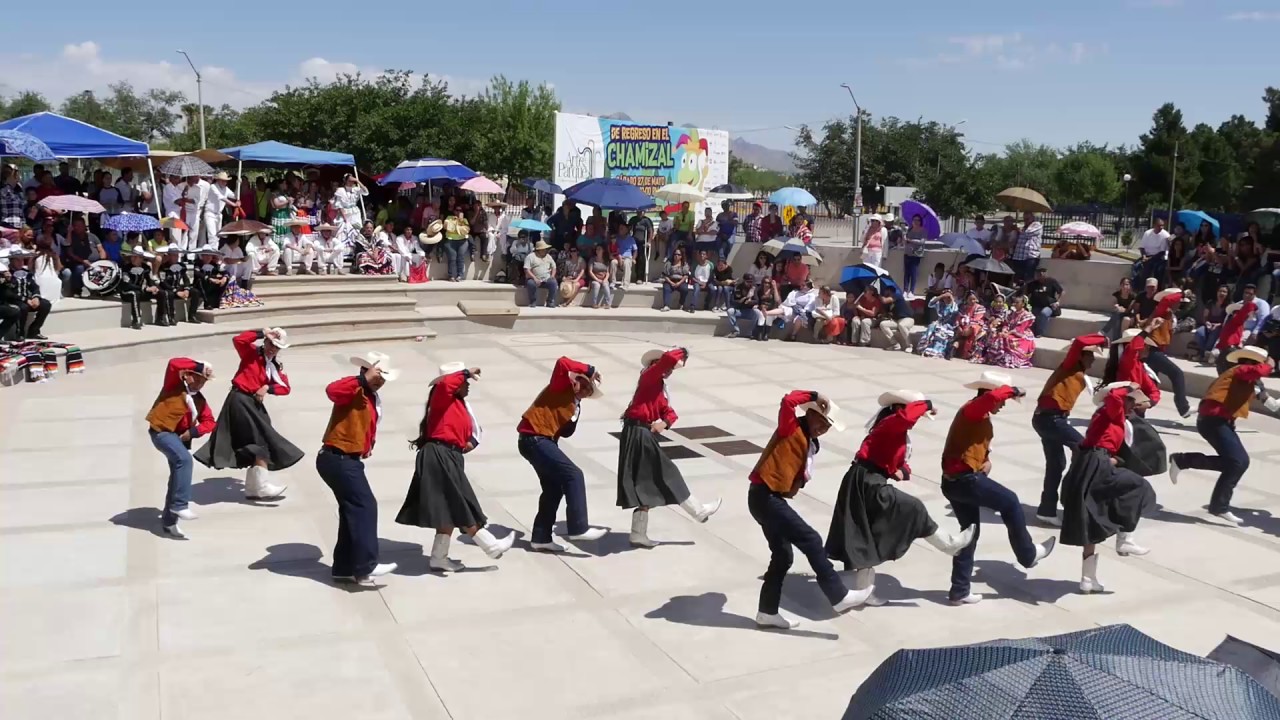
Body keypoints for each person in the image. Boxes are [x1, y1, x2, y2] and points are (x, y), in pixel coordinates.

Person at [825, 390, 975, 605]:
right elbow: (905, 418)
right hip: (865, 482)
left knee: (868, 535)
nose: (915, 421)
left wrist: (901, 470)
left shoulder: (897, 431)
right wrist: (927, 404)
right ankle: (949, 544)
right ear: (898, 409)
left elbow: (897, 464)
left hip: (869, 481)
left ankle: (864, 591)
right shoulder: (890, 424)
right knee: (913, 507)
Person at [748, 391, 873, 629]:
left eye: (827, 427)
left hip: (768, 498)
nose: (822, 429)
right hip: (764, 496)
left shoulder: (810, 443)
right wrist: (815, 395)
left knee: (783, 557)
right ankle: (838, 595)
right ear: (811, 414)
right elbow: (787, 400)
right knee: (811, 539)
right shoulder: (790, 427)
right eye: (822, 422)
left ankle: (767, 612)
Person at [940, 372, 1056, 604]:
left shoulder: (979, 416)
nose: (1003, 405)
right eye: (1003, 401)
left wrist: (986, 459)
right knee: (1010, 502)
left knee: (969, 534)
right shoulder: (972, 409)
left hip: (955, 481)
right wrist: (1013, 390)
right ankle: (1028, 554)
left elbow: (974, 443)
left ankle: (959, 591)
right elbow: (990, 399)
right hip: (964, 481)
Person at [395, 363, 516, 570]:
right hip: (439, 454)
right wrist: (465, 373)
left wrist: (465, 444)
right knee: (460, 501)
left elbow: (470, 430)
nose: (467, 385)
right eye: (464, 382)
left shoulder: (457, 403)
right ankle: (490, 545)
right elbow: (445, 386)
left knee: (448, 506)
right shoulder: (442, 396)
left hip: (449, 455)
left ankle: (438, 557)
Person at [618, 348, 722, 546]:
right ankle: (697, 510)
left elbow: (670, 413)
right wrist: (682, 352)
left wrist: (664, 422)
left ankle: (637, 533)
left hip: (642, 433)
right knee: (667, 472)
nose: (669, 371)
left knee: (645, 483)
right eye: (668, 367)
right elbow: (667, 360)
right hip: (637, 433)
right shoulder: (648, 377)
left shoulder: (659, 388)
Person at [1063, 382, 1160, 593]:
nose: (1132, 405)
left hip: (1092, 462)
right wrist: (1128, 387)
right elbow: (1115, 398)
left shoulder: (1110, 416)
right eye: (1130, 400)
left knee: (1091, 521)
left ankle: (1087, 579)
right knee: (1138, 486)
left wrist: (1112, 459)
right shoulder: (1110, 411)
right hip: (1094, 462)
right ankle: (1125, 538)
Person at [1169, 346, 1280, 526]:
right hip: (1213, 422)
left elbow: (1271, 404)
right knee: (1238, 462)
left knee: (1237, 463)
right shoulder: (1239, 370)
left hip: (1220, 423)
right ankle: (1218, 506)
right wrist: (1270, 363)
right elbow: (1259, 371)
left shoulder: (1251, 381)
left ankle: (1183, 461)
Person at [317, 352, 400, 584]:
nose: (380, 382)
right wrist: (363, 379)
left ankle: (344, 567)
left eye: (383, 378)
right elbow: (331, 391)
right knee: (365, 506)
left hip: (347, 459)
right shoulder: (354, 388)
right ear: (366, 371)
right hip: (337, 458)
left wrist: (366, 445)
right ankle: (366, 564)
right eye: (378, 376)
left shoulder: (371, 396)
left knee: (351, 511)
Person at [194, 328, 303, 500]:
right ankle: (261, 485)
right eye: (270, 344)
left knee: (258, 439)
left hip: (253, 404)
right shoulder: (251, 352)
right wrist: (261, 333)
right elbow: (239, 340)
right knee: (260, 439)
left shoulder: (275, 366)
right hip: (240, 400)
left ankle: (253, 488)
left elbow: (285, 388)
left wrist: (268, 387)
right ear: (265, 342)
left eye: (277, 347)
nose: (272, 349)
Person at [518, 356, 608, 552]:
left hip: (541, 441)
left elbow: (566, 432)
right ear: (576, 379)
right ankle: (578, 527)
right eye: (583, 384)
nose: (584, 391)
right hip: (534, 438)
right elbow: (561, 362)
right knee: (574, 475)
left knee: (554, 488)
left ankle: (541, 538)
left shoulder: (576, 404)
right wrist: (590, 369)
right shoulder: (560, 386)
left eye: (588, 390)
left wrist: (574, 414)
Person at [1032, 333, 1109, 525]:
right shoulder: (1069, 365)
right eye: (1090, 355)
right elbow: (1080, 342)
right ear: (1081, 355)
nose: (1093, 359)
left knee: (1056, 465)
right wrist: (1104, 340)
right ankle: (1077, 502)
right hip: (1051, 419)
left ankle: (1047, 510)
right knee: (1085, 450)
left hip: (1048, 419)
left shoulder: (1079, 372)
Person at [146, 358, 216, 539]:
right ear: (189, 375)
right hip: (161, 433)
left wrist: (193, 432)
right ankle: (180, 504)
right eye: (198, 378)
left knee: (177, 477)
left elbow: (210, 422)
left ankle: (169, 522)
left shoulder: (199, 400)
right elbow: (173, 363)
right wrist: (198, 366)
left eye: (204, 381)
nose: (201, 383)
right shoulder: (173, 386)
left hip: (179, 439)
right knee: (184, 460)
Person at [1144, 288, 1193, 417]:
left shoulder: (1170, 315)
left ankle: (1135, 413)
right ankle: (1183, 408)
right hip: (1152, 350)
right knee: (1177, 374)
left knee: (1149, 387)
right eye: (1178, 301)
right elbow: (1166, 300)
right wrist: (1182, 293)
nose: (1179, 303)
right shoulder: (1161, 310)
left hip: (1155, 352)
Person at [0, 249, 51, 340]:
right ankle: (20, 333)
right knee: (23, 307)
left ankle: (34, 330)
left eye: (22, 260)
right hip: (15, 299)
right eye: (18, 260)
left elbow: (34, 287)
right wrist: (24, 299)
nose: (21, 262)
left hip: (27, 299)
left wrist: (36, 297)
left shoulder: (27, 273)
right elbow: (7, 293)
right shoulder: (5, 274)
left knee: (46, 304)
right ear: (12, 261)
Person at [982, 294, 1037, 369]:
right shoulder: (1011, 313)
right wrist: (1004, 331)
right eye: (1014, 302)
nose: (1015, 304)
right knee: (999, 336)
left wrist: (1008, 333)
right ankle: (997, 357)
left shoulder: (1027, 315)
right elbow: (1006, 324)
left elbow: (1019, 328)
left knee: (1009, 339)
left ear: (1023, 304)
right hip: (1011, 332)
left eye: (1017, 302)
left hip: (1021, 335)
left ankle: (1010, 358)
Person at [118, 246, 160, 329]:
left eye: (136, 257)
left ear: (141, 258)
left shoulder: (146, 268)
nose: (133, 258)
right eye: (132, 256)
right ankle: (136, 320)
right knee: (134, 293)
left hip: (141, 291)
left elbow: (150, 280)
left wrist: (154, 287)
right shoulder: (126, 268)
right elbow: (127, 284)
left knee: (161, 292)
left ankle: (162, 317)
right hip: (127, 292)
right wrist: (143, 289)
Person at [155, 243, 194, 325]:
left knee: (195, 292)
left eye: (176, 255)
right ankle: (171, 317)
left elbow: (186, 279)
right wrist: (176, 291)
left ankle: (192, 315)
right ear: (169, 256)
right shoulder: (164, 267)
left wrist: (186, 289)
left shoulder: (182, 266)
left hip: (178, 287)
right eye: (173, 255)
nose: (175, 257)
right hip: (169, 289)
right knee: (169, 294)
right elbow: (163, 282)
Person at [916, 289, 959, 358]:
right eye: (945, 298)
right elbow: (930, 304)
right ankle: (926, 347)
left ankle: (938, 350)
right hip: (939, 323)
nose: (946, 299)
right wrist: (942, 296)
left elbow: (955, 311)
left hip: (949, 325)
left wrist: (951, 298)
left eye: (948, 297)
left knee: (941, 332)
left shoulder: (954, 305)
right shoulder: (939, 304)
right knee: (931, 327)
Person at [1194, 285, 1231, 362]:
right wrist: (1207, 322)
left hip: (1221, 327)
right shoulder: (1210, 303)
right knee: (1199, 332)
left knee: (1215, 331)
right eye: (1220, 291)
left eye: (1224, 292)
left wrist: (1218, 325)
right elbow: (1205, 317)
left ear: (1227, 294)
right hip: (1209, 325)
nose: (1222, 293)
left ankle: (1204, 354)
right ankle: (1203, 353)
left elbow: (1229, 321)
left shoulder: (1229, 306)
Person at [1024, 266, 1063, 337]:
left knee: (1044, 314)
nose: (1041, 274)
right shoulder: (1032, 284)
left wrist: (1058, 302)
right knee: (1031, 314)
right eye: (1039, 272)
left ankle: (1039, 332)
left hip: (1049, 305)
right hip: (1036, 305)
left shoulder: (1051, 281)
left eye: (1043, 272)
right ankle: (1030, 331)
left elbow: (1060, 291)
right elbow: (1025, 294)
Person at [878, 284, 915, 352]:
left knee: (902, 325)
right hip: (896, 320)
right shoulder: (888, 304)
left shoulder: (897, 296)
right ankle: (895, 344)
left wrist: (878, 294)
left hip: (907, 319)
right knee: (883, 324)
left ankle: (909, 345)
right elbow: (886, 312)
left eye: (885, 291)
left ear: (889, 291)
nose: (884, 292)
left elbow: (884, 300)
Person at [1134, 218, 1170, 286]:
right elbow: (1142, 247)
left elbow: (1162, 252)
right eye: (1159, 225)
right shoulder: (1147, 233)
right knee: (1136, 266)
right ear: (1154, 225)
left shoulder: (1165, 235)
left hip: (1158, 258)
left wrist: (1149, 259)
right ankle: (1136, 286)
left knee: (1154, 269)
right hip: (1146, 256)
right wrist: (1144, 257)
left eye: (1162, 225)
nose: (1161, 227)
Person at [524, 240, 558, 307]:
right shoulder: (530, 256)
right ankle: (532, 301)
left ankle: (550, 301)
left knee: (553, 282)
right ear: (539, 250)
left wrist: (552, 276)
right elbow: (526, 269)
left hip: (546, 279)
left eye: (545, 249)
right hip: (534, 278)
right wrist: (535, 278)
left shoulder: (548, 256)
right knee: (530, 283)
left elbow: (554, 267)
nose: (545, 250)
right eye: (544, 249)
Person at [727, 274, 761, 338]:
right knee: (730, 311)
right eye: (748, 281)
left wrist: (750, 302)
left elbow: (757, 300)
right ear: (744, 281)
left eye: (751, 281)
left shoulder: (754, 288)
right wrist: (740, 301)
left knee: (757, 312)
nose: (750, 283)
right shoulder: (738, 287)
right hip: (739, 309)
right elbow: (732, 300)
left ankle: (751, 332)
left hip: (749, 310)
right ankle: (735, 331)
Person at [901, 214, 928, 295]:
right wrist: (904, 237)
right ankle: (905, 290)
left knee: (913, 273)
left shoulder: (923, 231)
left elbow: (922, 242)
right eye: (914, 220)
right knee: (906, 273)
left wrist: (910, 240)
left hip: (916, 254)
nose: (916, 222)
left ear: (920, 222)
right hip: (907, 253)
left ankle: (912, 291)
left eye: (918, 220)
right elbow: (905, 241)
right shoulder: (909, 230)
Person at [611, 222, 637, 289]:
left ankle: (626, 284)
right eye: (619, 228)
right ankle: (612, 282)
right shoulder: (617, 238)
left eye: (622, 228)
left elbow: (635, 250)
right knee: (613, 262)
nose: (620, 230)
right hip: (618, 257)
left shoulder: (631, 239)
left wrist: (633, 258)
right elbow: (613, 248)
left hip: (628, 257)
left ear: (626, 230)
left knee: (627, 263)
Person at [588, 243, 613, 309]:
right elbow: (590, 271)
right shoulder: (592, 260)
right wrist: (597, 279)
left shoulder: (606, 260)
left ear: (603, 250)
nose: (597, 251)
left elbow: (608, 272)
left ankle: (608, 303)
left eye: (599, 249)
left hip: (604, 278)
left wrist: (605, 279)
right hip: (595, 279)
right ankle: (594, 303)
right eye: (597, 249)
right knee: (597, 285)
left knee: (605, 284)